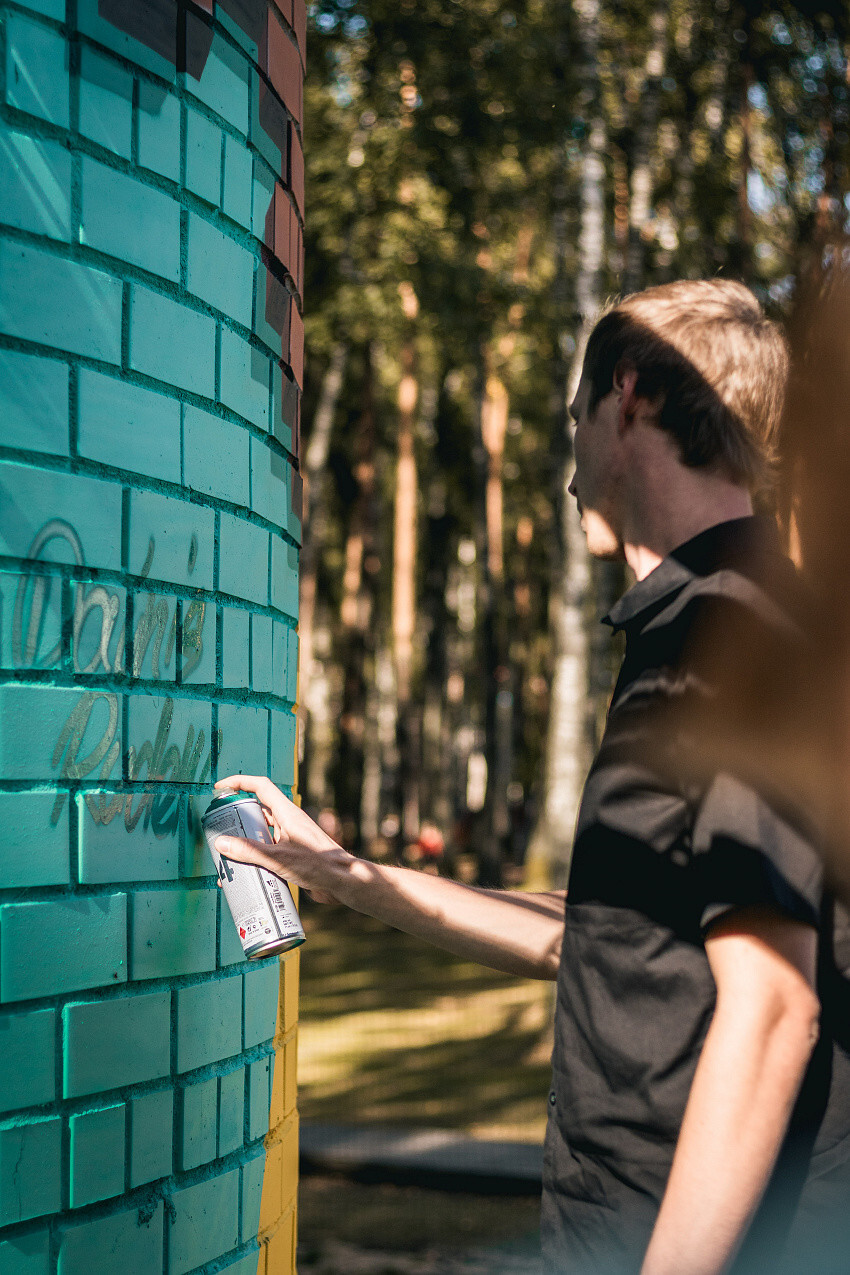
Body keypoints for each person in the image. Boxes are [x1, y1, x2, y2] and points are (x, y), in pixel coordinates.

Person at [214, 279, 850, 1274]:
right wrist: (333, 870)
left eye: (575, 414)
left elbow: (772, 1007)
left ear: (626, 397)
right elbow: (610, 934)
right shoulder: (689, 630)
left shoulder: (735, 638)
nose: (568, 452)